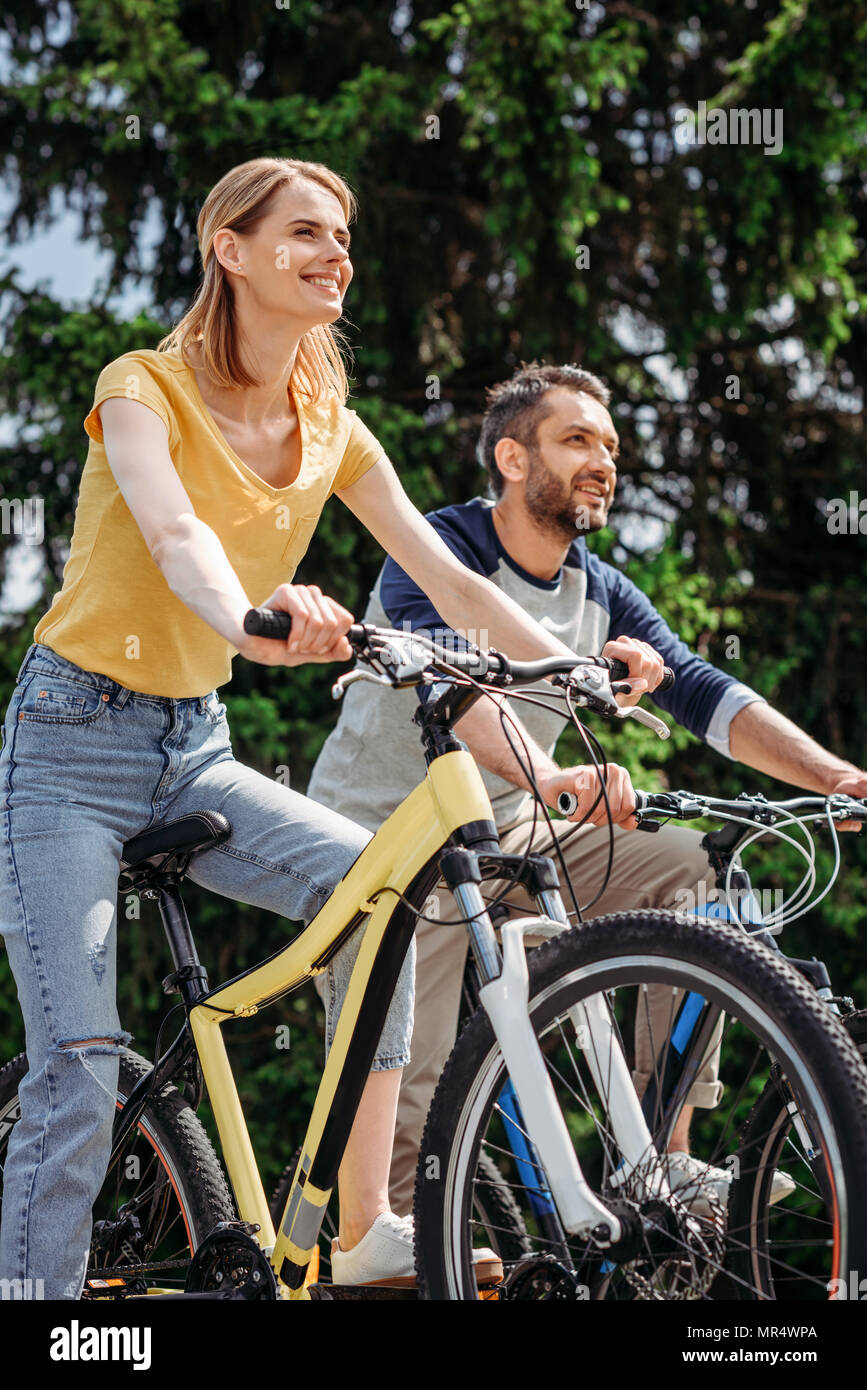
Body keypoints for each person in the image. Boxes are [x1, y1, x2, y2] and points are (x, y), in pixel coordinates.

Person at [0, 161, 670, 1299]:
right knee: (80, 1066)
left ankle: (363, 1224)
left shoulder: (333, 427)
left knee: (380, 899)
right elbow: (175, 538)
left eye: (344, 236)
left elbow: (446, 574)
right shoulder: (141, 388)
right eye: (305, 232)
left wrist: (571, 664)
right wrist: (255, 623)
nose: (336, 254)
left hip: (192, 744)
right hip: (69, 747)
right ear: (232, 248)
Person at [308, 361, 867, 1219]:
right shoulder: (441, 551)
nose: (602, 460)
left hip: (516, 833)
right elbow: (450, 698)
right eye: (576, 440)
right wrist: (553, 776)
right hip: (389, 841)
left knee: (690, 876)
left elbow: (702, 692)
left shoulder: (598, 590)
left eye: (608, 445)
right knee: (405, 1090)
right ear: (512, 458)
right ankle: (376, 1238)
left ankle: (661, 1152)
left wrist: (833, 774)